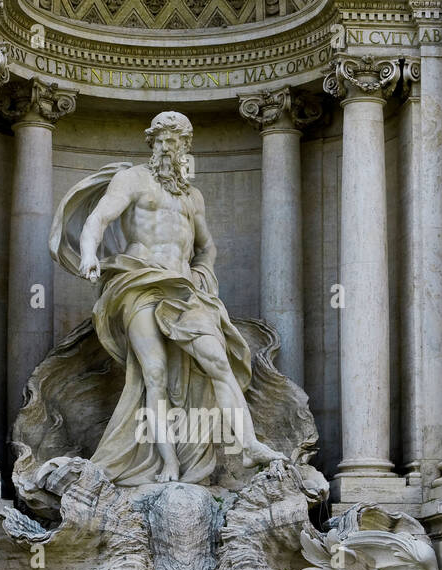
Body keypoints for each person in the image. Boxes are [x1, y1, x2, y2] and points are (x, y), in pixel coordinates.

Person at [49, 111, 283, 485]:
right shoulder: (133, 180)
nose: (167, 147)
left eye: (175, 142)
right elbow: (98, 219)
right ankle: (168, 463)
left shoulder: (192, 196)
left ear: (185, 148)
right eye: (161, 140)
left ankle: (250, 443)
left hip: (184, 290)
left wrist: (203, 274)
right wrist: (90, 254)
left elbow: (207, 247)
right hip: (139, 282)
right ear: (151, 143)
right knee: (153, 374)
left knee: (218, 362)